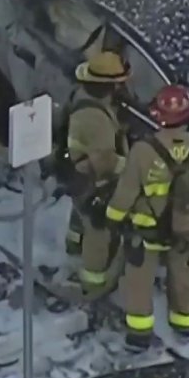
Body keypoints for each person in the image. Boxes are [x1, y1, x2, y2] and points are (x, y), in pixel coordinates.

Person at [104, 85, 189, 350]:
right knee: (184, 277)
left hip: (147, 232)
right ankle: (184, 326)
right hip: (186, 230)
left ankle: (139, 335)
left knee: (139, 281)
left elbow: (126, 192)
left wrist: (112, 218)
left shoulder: (143, 151)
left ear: (158, 116)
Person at [62, 50, 133, 298]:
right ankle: (93, 284)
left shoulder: (85, 98)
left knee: (81, 211)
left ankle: (73, 243)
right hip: (93, 178)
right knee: (98, 229)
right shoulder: (94, 118)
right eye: (118, 83)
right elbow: (105, 161)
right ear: (108, 86)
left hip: (77, 173)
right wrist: (132, 167)